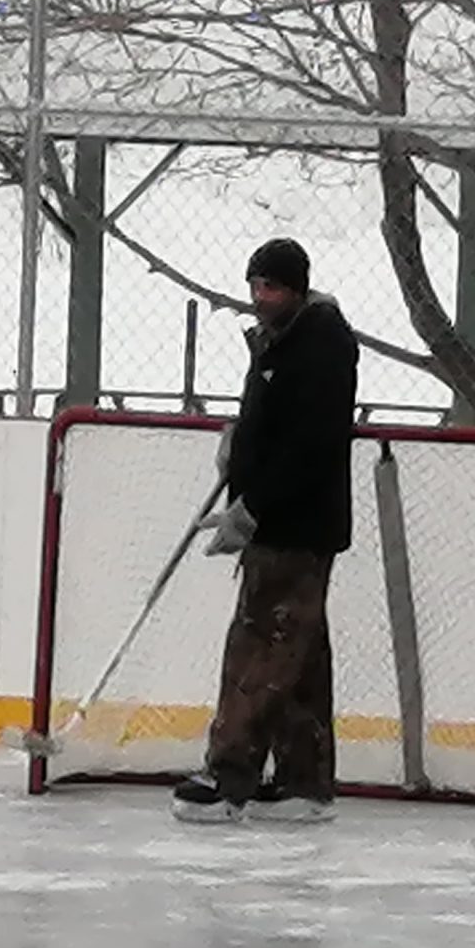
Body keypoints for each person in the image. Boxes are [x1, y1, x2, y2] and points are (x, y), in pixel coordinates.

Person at [172, 238, 359, 824]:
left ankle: (230, 779)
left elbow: (309, 446)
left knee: (258, 650)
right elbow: (274, 423)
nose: (260, 297)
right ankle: (306, 782)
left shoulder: (319, 346)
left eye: (271, 286)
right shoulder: (283, 340)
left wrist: (253, 508)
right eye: (255, 285)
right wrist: (240, 442)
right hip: (281, 524)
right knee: (298, 657)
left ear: (297, 288)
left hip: (293, 528)